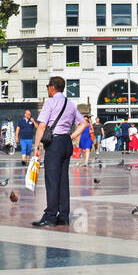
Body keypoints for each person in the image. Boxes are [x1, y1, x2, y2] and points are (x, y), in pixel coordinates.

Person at [31, 77, 85, 227]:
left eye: (48, 86)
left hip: (54, 144)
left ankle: (50, 216)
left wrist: (36, 148)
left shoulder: (50, 102)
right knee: (63, 180)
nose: (48, 89)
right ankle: (64, 216)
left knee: (52, 180)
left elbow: (41, 127)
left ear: (53, 88)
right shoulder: (70, 104)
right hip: (66, 143)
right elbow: (84, 123)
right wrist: (71, 136)